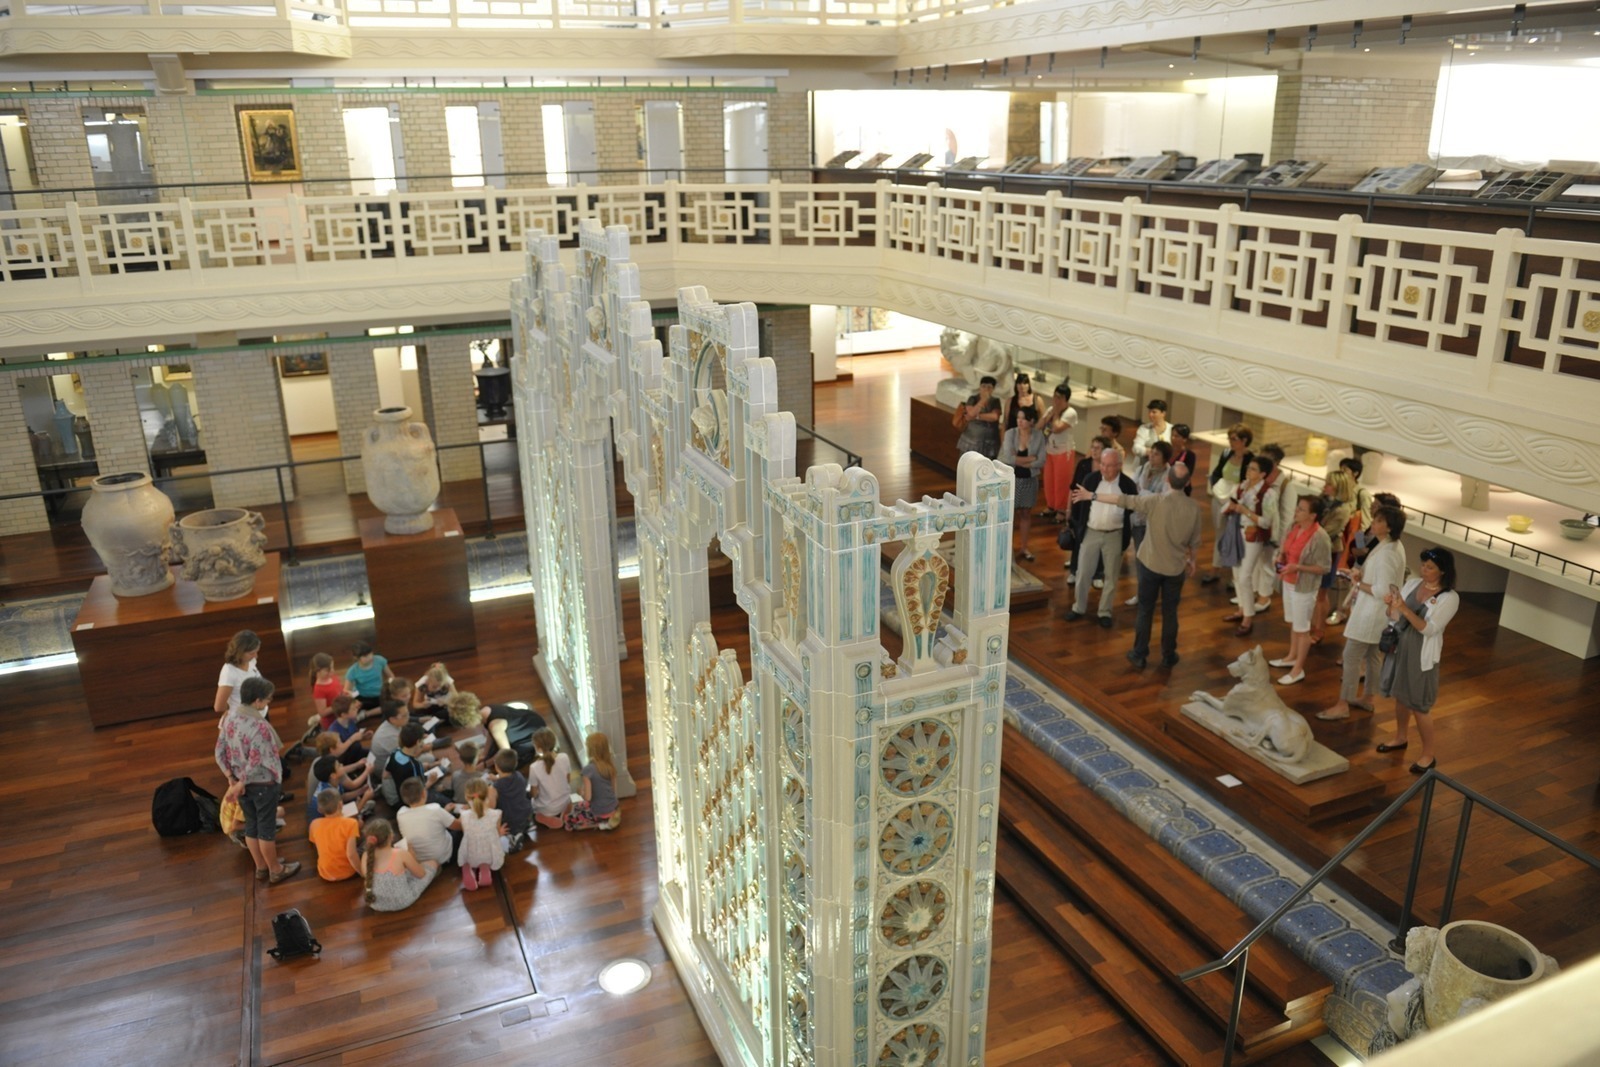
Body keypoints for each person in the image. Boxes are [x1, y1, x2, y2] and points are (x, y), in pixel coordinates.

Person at [1086, 461, 1203, 669]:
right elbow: (1194, 541)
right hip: (1175, 569)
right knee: (1170, 612)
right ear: (1188, 483)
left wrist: (1092, 496)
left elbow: (1122, 500)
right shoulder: (1194, 508)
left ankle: (1139, 653)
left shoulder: (1154, 501)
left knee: (1145, 610)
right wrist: (1192, 560)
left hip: (1149, 565)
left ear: (1167, 480)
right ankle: (1168, 654)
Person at [1320, 505, 1408, 722]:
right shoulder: (1392, 546)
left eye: (1379, 521)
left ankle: (1343, 703)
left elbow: (1383, 590)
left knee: (1351, 656)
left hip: (1372, 613)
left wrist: (1359, 583)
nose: (1373, 524)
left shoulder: (1387, 553)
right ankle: (1368, 697)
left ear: (1388, 527)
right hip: (1379, 614)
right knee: (1372, 656)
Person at [1377, 547, 1460, 773]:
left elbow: (1429, 629)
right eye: (1423, 565)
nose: (1424, 570)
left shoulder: (1450, 598)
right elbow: (1394, 616)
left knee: (1420, 705)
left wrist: (1403, 607)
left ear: (1443, 571)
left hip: (1421, 653)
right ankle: (1400, 737)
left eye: (1430, 567)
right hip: (1400, 647)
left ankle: (1428, 754)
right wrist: (1390, 605)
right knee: (1401, 696)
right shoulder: (1413, 584)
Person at [215, 676, 300, 885]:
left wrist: (232, 779)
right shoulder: (259, 727)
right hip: (262, 784)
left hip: (240, 785)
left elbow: (219, 752)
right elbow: (255, 761)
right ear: (258, 701)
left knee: (251, 826)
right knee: (266, 829)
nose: (268, 703)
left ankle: (261, 867)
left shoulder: (229, 719)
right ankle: (276, 869)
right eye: (268, 700)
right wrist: (242, 782)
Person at [1064, 447, 1137, 628]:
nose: (1104, 469)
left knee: (1111, 577)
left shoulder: (1127, 485)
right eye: (1103, 464)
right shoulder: (1091, 479)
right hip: (1091, 532)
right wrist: (1078, 527)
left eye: (1109, 466)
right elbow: (1079, 504)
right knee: (1083, 573)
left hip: (1115, 534)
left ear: (1119, 466)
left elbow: (1132, 508)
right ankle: (1078, 607)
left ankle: (1104, 611)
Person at [1269, 494, 1332, 686]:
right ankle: (1291, 657)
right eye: (1297, 508)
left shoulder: (1320, 537)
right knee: (1293, 623)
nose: (1296, 511)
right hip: (1288, 581)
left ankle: (1298, 670)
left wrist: (1299, 568)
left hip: (1304, 587)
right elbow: (1285, 548)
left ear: (1313, 515)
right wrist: (1280, 557)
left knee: (1302, 628)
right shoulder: (1293, 527)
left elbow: (1325, 567)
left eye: (1301, 509)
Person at [1221, 455, 1276, 637]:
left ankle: (1248, 617)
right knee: (1237, 572)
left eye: (1253, 469)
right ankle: (1242, 609)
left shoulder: (1268, 493)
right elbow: (1230, 503)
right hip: (1237, 530)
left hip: (1253, 535)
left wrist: (1244, 510)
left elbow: (1266, 522)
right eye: (1249, 468)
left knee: (1245, 575)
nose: (1249, 471)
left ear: (1262, 474)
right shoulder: (1242, 486)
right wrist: (1230, 507)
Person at [1202, 423, 1253, 585]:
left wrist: (1235, 499)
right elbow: (1216, 473)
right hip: (1220, 499)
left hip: (1238, 503)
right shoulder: (1226, 454)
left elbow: (1249, 482)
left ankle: (1234, 575)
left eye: (1234, 439)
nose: (1231, 442)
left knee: (1236, 536)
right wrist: (1218, 490)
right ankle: (1215, 568)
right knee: (1220, 534)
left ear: (1244, 440)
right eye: (1230, 439)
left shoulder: (1251, 460)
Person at [1124, 440, 1172, 606]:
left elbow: (1160, 500)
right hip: (1138, 520)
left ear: (1165, 458)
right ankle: (1142, 593)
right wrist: (1144, 495)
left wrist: (1142, 494)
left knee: (1153, 560)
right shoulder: (1144, 468)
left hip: (1155, 523)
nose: (1151, 455)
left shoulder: (1169, 476)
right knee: (1140, 559)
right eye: (1151, 452)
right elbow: (1133, 488)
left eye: (1156, 454)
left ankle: (1150, 594)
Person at [1313, 469, 1359, 640]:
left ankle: (1319, 628)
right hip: (1321, 548)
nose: (1325, 486)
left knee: (1322, 592)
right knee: (1318, 592)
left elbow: (1327, 532)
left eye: (1329, 484)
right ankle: (1316, 624)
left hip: (1330, 550)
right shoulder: (1325, 502)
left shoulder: (1342, 510)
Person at [362, 817, 439, 912]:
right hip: (403, 901)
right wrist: (412, 856)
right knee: (433, 863)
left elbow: (368, 877)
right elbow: (421, 874)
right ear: (391, 836)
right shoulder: (400, 853)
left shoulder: (365, 856)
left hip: (375, 903)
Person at [999, 406, 1046, 562]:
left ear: (1031, 421)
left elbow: (1041, 460)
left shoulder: (1039, 436)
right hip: (1011, 480)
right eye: (1018, 417)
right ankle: (1006, 548)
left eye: (1023, 418)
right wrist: (1030, 459)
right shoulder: (1010, 434)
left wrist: (1024, 462)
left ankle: (1024, 547)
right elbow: (1008, 458)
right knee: (1009, 515)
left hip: (1029, 481)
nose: (1020, 421)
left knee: (1026, 514)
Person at [1064, 435, 1109, 581]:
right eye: (1093, 447)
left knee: (1099, 542)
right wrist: (1068, 509)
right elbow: (1073, 487)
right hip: (1080, 509)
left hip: (1100, 510)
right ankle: (1074, 571)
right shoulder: (1083, 464)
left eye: (1098, 448)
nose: (1094, 450)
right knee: (1079, 540)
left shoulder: (1108, 468)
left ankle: (1097, 573)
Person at [396, 777, 460, 867]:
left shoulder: (400, 814)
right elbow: (459, 826)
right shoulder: (435, 809)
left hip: (420, 859)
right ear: (423, 793)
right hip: (442, 858)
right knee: (461, 830)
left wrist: (444, 813)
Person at [565, 732, 620, 831]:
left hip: (599, 811)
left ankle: (596, 824)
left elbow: (588, 797)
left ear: (590, 750)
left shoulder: (588, 770)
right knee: (581, 807)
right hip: (613, 807)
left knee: (571, 816)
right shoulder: (610, 765)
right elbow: (613, 790)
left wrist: (580, 792)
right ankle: (608, 821)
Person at [456, 778, 505, 891]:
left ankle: (468, 868)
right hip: (490, 855)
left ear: (467, 797)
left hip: (471, 854)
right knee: (493, 845)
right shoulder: (496, 814)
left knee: (467, 858)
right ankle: (485, 867)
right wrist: (500, 832)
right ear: (487, 795)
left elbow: (466, 834)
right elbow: (497, 834)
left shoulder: (464, 815)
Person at [1041, 384, 1078, 523]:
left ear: (1066, 400)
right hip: (1050, 449)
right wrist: (1048, 415)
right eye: (1055, 396)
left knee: (1061, 481)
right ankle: (1051, 506)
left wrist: (1055, 413)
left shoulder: (1071, 413)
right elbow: (1040, 425)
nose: (1056, 400)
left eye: (1059, 398)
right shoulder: (1051, 409)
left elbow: (1057, 428)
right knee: (1049, 479)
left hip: (1064, 451)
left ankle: (1061, 509)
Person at [307, 789, 362, 882]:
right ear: (340, 805)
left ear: (319, 810)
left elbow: (314, 845)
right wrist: (362, 872)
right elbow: (351, 854)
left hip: (325, 873)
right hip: (348, 872)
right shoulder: (351, 823)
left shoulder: (314, 824)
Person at [528, 728, 573, 830]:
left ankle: (546, 817)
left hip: (548, 808)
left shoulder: (534, 767)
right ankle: (564, 810)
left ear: (538, 749)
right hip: (565, 799)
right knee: (564, 798)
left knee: (533, 806)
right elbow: (568, 780)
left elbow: (534, 794)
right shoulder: (564, 757)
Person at [483, 699, 549, 766]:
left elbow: (507, 753)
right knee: (491, 753)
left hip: (532, 733)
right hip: (530, 719)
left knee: (507, 762)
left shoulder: (495, 726)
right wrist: (484, 754)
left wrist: (485, 764)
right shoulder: (487, 710)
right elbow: (491, 731)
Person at [214, 630, 263, 720]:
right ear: (239, 652)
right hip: (244, 720)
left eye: (257, 652)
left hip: (259, 714)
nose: (256, 656)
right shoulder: (229, 672)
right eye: (251, 653)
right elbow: (219, 706)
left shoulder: (251, 661)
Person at [489, 749, 534, 843]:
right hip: (525, 813)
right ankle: (525, 827)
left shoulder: (494, 789)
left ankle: (513, 839)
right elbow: (507, 779)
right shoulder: (519, 776)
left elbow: (491, 808)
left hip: (509, 822)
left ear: (496, 766)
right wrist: (497, 778)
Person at [954, 375, 1002, 460]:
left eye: (989, 387)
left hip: (989, 443)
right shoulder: (973, 399)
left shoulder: (995, 401)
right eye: (983, 386)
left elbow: (994, 417)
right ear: (979, 387)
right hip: (971, 440)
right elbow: (970, 413)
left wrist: (977, 416)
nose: (986, 389)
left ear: (993, 389)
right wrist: (983, 400)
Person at [344, 642, 392, 711]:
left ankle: (366, 714)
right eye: (365, 656)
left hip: (381, 694)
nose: (370, 657)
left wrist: (389, 687)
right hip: (363, 697)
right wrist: (353, 695)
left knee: (392, 707)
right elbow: (346, 690)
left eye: (370, 654)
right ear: (356, 657)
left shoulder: (380, 660)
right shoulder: (352, 671)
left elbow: (391, 676)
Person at [308, 652, 344, 731]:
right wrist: (339, 705)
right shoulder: (319, 689)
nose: (332, 671)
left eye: (332, 668)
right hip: (332, 723)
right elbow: (322, 712)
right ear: (317, 671)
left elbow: (339, 690)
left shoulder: (333, 677)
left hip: (341, 715)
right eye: (328, 670)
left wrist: (345, 694)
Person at [1130, 398, 1172, 465]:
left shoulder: (1171, 429)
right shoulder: (1144, 428)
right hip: (1143, 465)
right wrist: (1152, 452)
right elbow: (1136, 448)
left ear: (1163, 413)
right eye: (1149, 412)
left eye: (1154, 412)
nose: (1150, 415)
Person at [1167, 424, 1198, 498]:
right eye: (1172, 435)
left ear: (1184, 439)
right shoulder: (1167, 450)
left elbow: (1187, 474)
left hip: (1180, 489)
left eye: (1176, 436)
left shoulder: (1189, 455)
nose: (1172, 438)